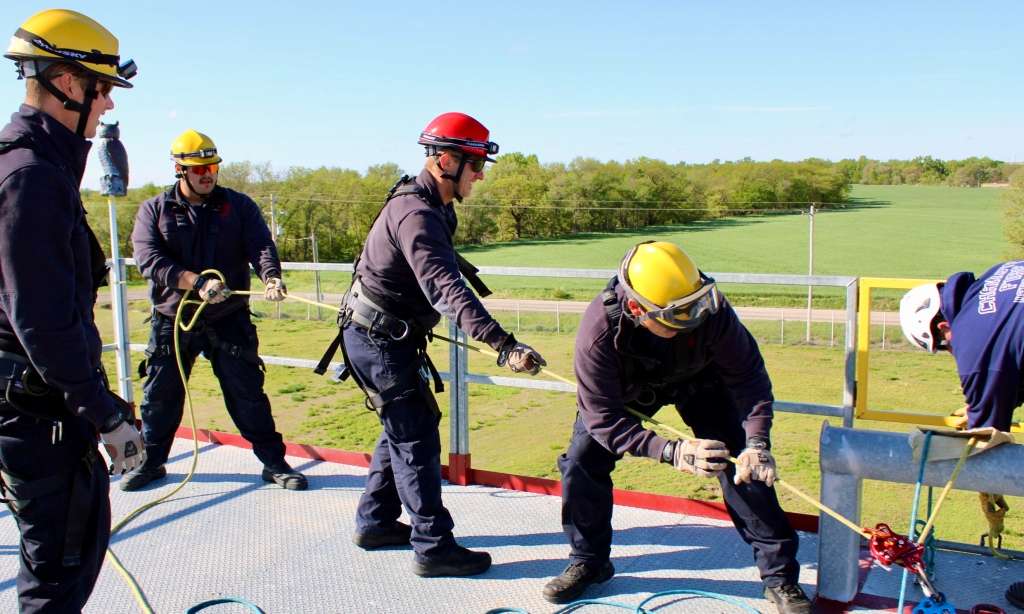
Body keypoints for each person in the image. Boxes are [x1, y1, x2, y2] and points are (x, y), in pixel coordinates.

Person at [321, 112, 546, 577]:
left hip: (385, 336)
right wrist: (502, 344)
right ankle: (433, 547)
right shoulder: (418, 214)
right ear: (447, 160)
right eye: (476, 164)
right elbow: (447, 289)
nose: (481, 174)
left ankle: (377, 521)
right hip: (377, 339)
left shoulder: (436, 203)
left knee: (405, 422)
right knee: (415, 435)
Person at [543, 241, 812, 613]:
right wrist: (670, 451)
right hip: (632, 389)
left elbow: (749, 377)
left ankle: (781, 577)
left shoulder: (710, 311)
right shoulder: (599, 332)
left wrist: (758, 441)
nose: (695, 319)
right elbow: (601, 417)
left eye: (698, 304)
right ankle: (590, 560)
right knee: (582, 460)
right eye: (680, 315)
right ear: (638, 308)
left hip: (701, 379)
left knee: (740, 463)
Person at [0, 9, 145, 612]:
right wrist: (104, 415)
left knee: (60, 559)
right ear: (65, 81)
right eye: (101, 87)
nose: (107, 104)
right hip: (41, 412)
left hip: (38, 401)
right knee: (57, 576)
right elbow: (43, 320)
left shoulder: (29, 164)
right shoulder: (30, 177)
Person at [125, 129, 306, 492]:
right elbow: (149, 260)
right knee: (161, 395)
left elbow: (260, 245)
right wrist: (195, 282)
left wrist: (270, 276)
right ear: (179, 169)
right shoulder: (154, 210)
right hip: (174, 318)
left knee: (247, 392)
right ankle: (153, 462)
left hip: (229, 318)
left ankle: (274, 463)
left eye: (212, 166)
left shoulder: (238, 206)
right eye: (199, 168)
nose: (207, 174)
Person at [899, 262, 1024, 609]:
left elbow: (985, 433)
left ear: (942, 327)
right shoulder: (998, 276)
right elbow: (1014, 356)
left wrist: (979, 411)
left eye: (943, 347)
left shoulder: (972, 339)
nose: (951, 354)